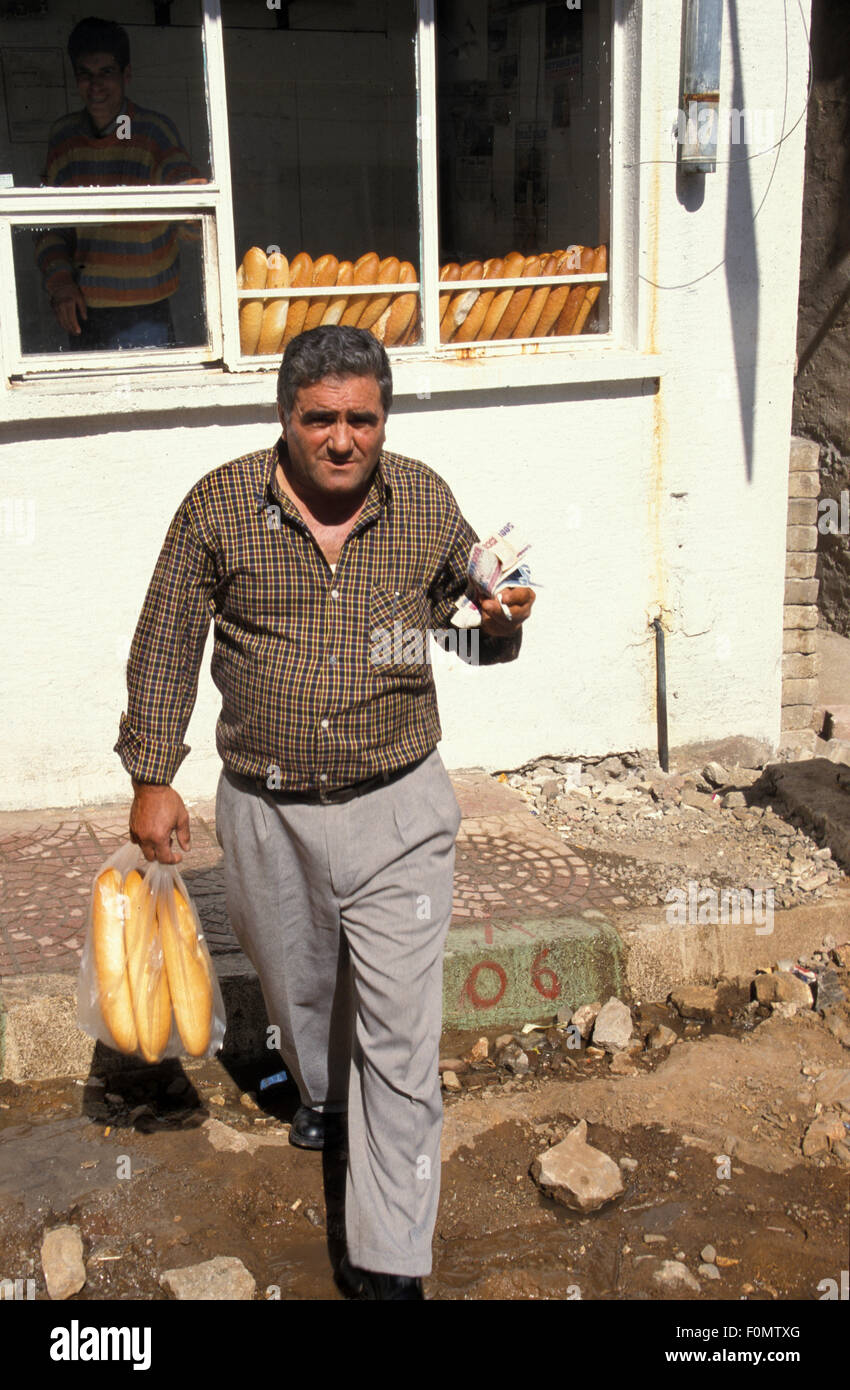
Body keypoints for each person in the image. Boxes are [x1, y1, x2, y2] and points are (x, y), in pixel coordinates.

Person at [115, 324, 535, 1300]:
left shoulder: (424, 499)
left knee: (396, 1029)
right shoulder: (220, 504)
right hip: (265, 807)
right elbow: (166, 638)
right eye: (320, 419)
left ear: (382, 419)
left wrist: (501, 618)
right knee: (299, 985)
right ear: (285, 418)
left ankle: (389, 1269)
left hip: (400, 804)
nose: (341, 439)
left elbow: (463, 620)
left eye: (361, 418)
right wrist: (150, 771)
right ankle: (315, 1094)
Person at [35, 16, 205, 351]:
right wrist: (61, 284)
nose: (95, 84)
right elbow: (47, 225)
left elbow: (184, 194)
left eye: (106, 72)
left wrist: (192, 200)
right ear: (75, 79)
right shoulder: (65, 136)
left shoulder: (153, 131)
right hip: (85, 313)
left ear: (126, 75)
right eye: (85, 74)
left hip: (148, 316)